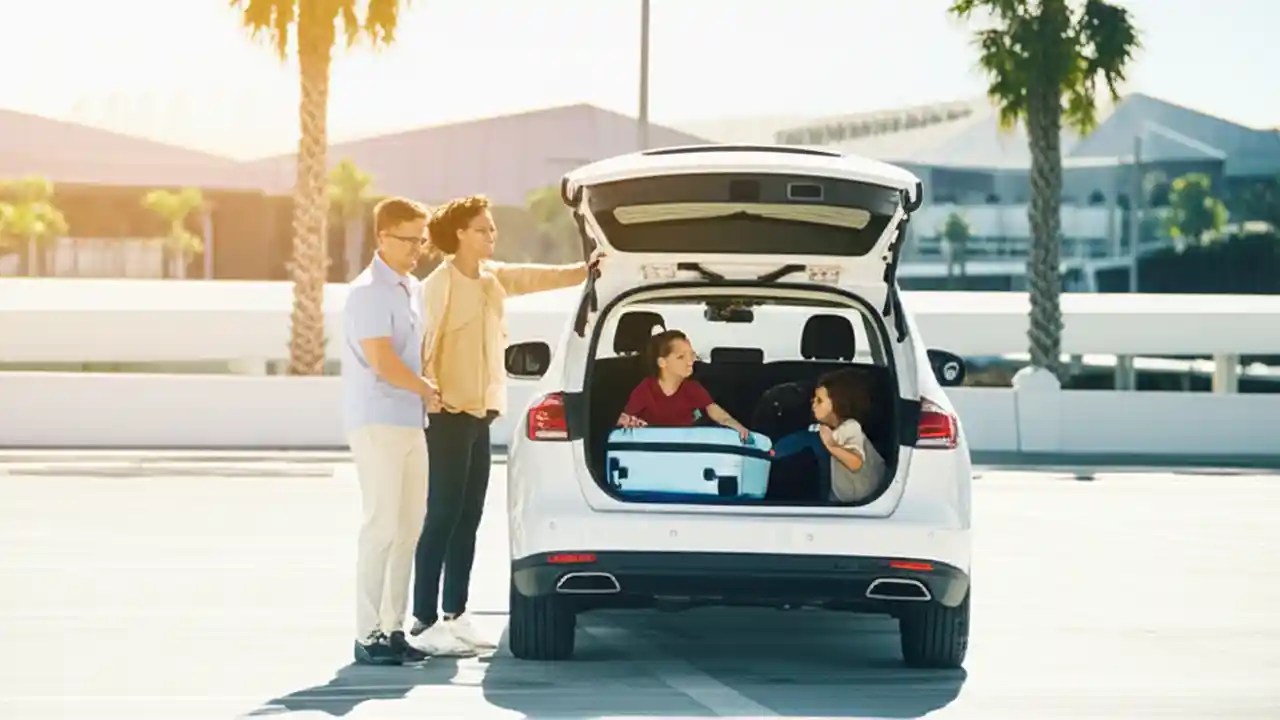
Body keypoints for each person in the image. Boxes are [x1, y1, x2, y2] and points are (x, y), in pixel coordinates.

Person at [411, 194, 601, 651]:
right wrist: (427, 397)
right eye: (482, 229)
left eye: (492, 228)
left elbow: (534, 276)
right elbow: (420, 344)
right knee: (441, 515)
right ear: (459, 234)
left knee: (469, 517)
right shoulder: (440, 285)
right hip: (446, 415)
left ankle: (455, 614)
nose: (491, 236)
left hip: (479, 415)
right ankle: (422, 620)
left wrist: (585, 270)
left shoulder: (492, 280)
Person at [342, 196, 456, 665]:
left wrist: (424, 394)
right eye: (409, 239)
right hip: (378, 420)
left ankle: (392, 630)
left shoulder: (408, 288)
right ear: (383, 237)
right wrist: (427, 387)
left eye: (421, 240)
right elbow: (382, 360)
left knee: (409, 527)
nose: (417, 249)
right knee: (382, 525)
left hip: (411, 421)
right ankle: (367, 633)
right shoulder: (369, 290)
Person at [772, 368, 886, 503]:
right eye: (814, 399)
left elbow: (856, 462)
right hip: (842, 495)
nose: (813, 403)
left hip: (860, 496)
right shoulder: (829, 429)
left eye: (820, 400)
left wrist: (831, 446)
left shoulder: (851, 427)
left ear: (839, 404)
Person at [617, 329, 750, 441]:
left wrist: (736, 426)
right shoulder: (646, 389)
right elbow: (624, 419)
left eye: (691, 355)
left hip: (686, 450)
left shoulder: (693, 389)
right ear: (662, 362)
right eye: (681, 357)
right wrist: (629, 422)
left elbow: (717, 413)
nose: (690, 361)